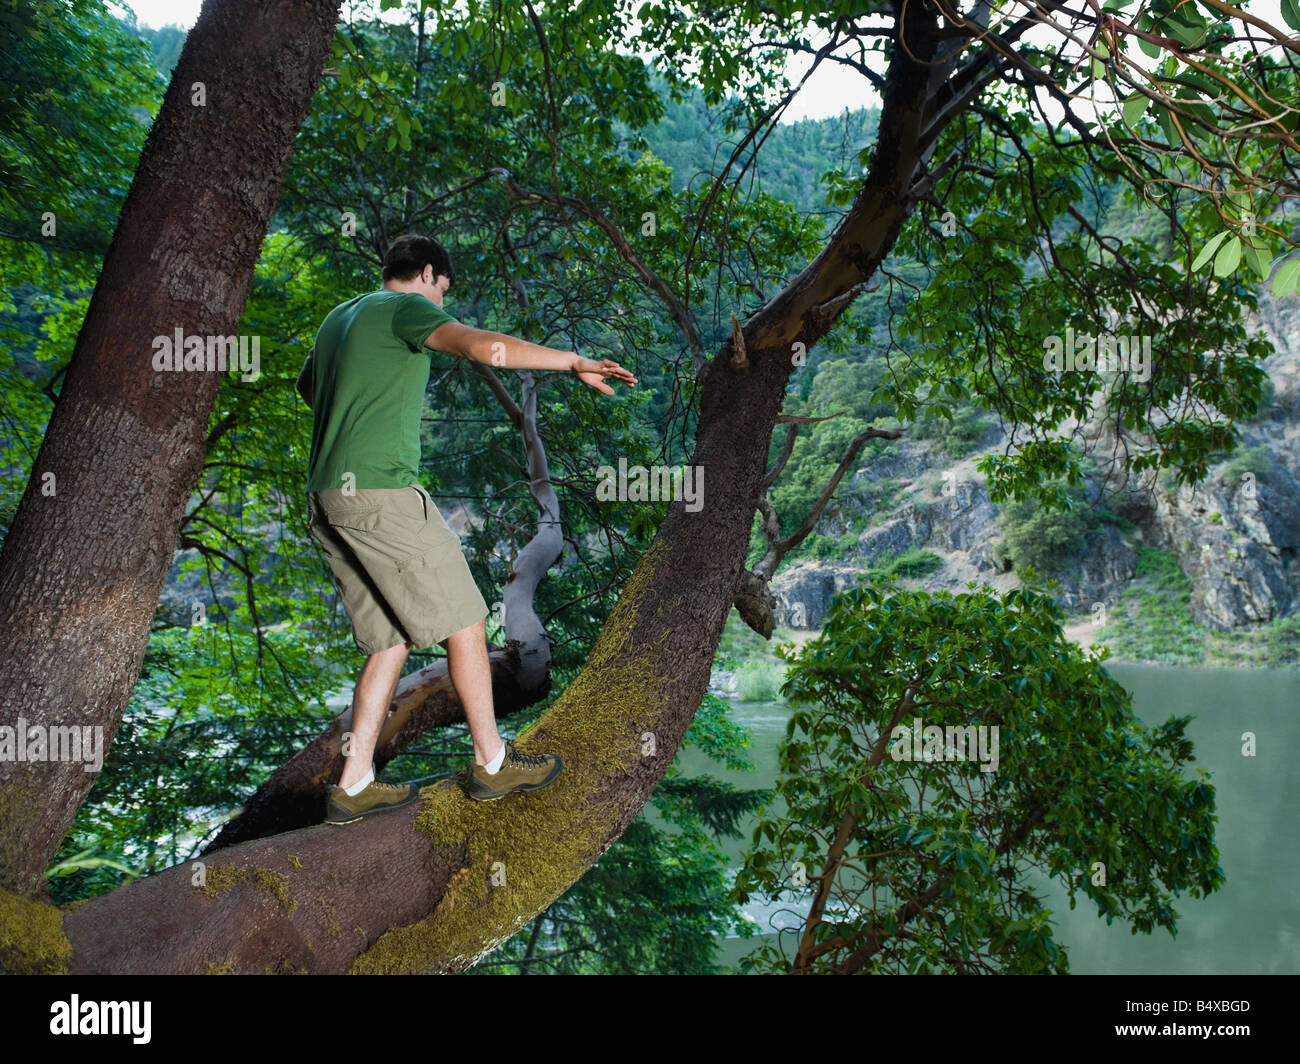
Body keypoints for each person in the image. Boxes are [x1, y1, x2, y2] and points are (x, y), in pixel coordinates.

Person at [296, 234, 637, 824]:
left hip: (328, 498)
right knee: (467, 618)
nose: (442, 301)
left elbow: (309, 388)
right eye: (443, 289)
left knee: (391, 641)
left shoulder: (338, 317)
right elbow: (484, 348)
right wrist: (574, 361)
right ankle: (493, 765)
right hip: (381, 494)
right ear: (428, 273)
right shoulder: (407, 307)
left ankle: (353, 785)